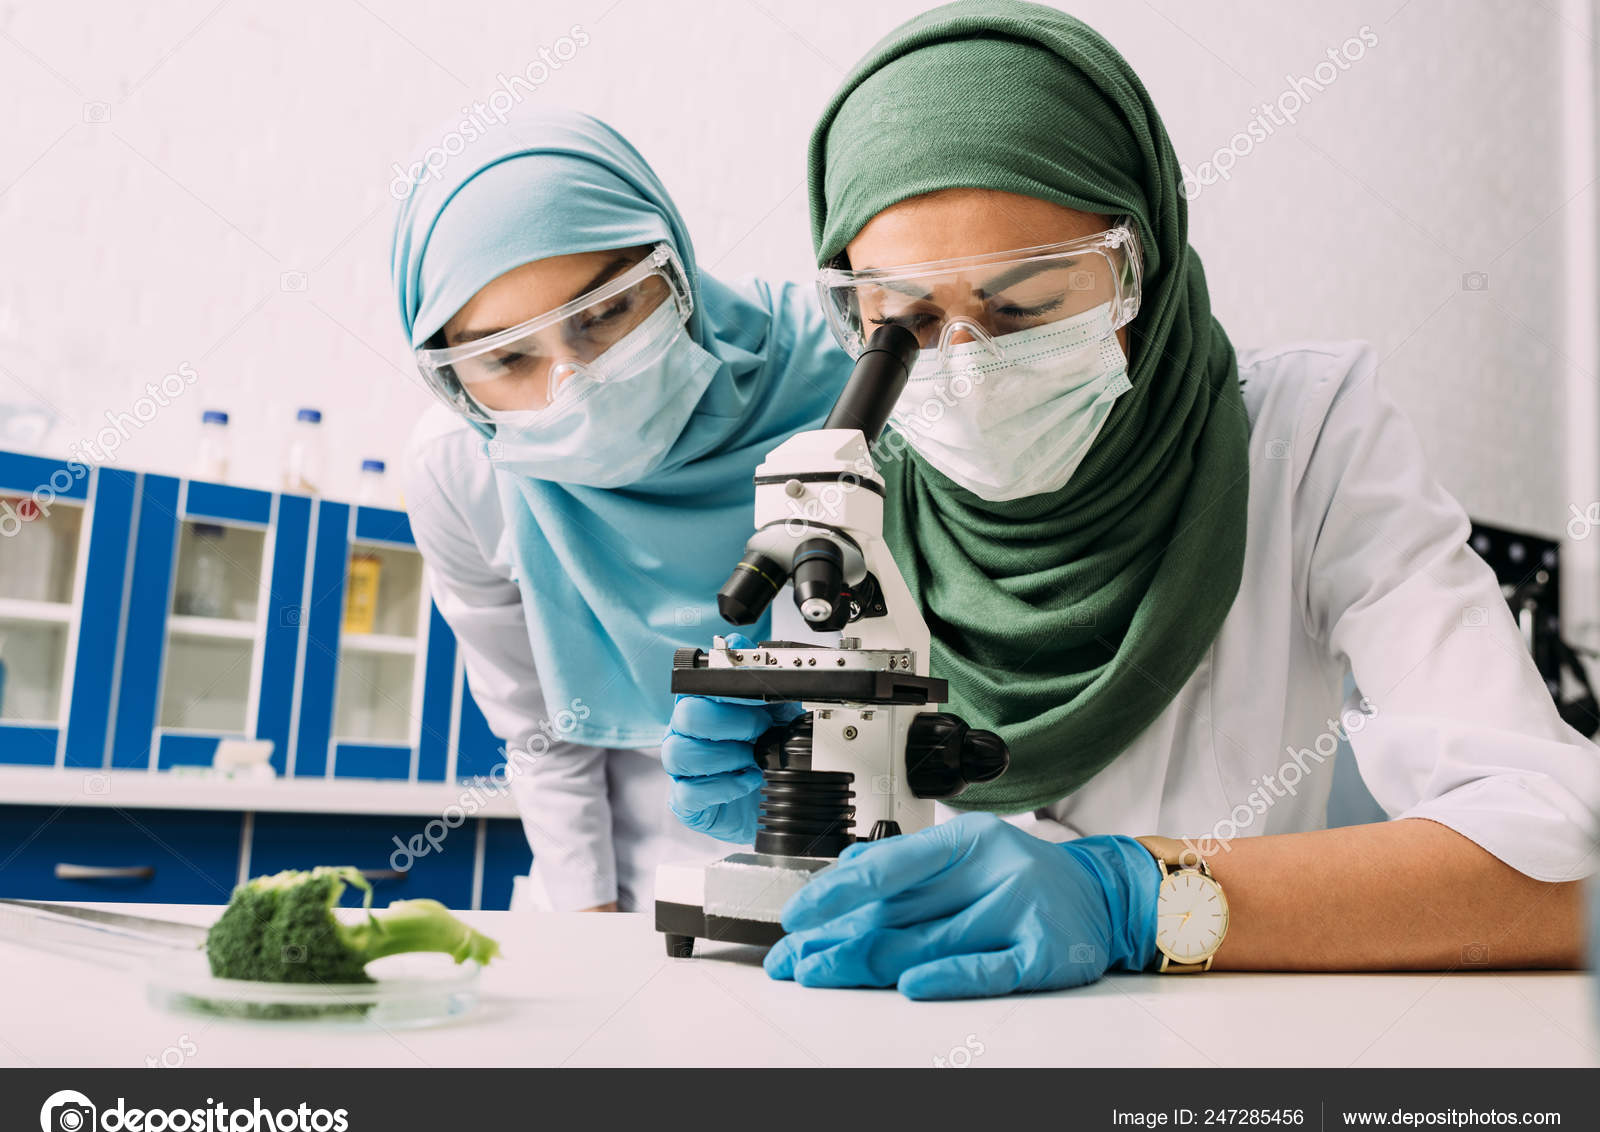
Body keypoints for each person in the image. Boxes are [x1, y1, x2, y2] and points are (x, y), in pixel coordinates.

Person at [663, 0, 1600, 997]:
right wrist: (790, 791)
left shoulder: (1308, 438)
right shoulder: (851, 491)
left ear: (1136, 267)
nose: (969, 370)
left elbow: (1558, 870)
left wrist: (1136, 896)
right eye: (908, 322)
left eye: (1022, 307)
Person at [393, 109, 851, 911]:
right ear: (454, 381)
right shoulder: (461, 469)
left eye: (604, 314)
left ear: (673, 271)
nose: (576, 384)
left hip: (870, 852)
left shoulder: (850, 369)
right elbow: (537, 726)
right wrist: (590, 918)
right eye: (505, 357)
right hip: (634, 887)